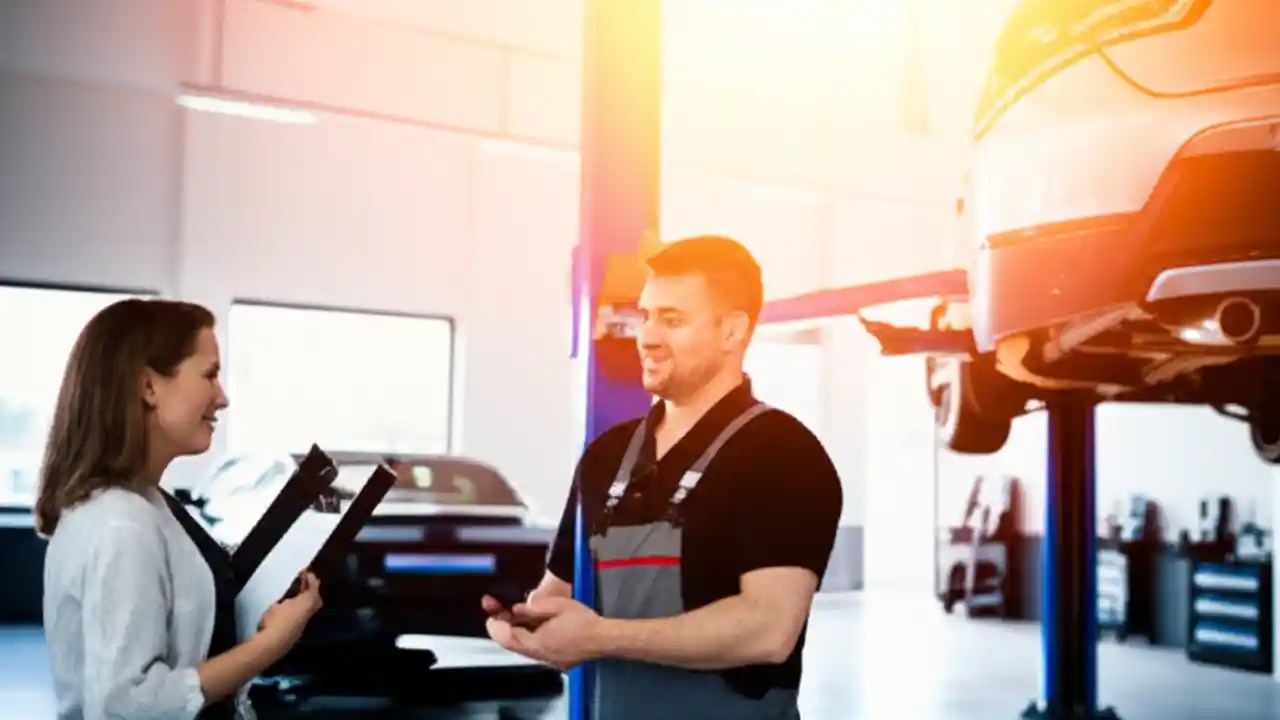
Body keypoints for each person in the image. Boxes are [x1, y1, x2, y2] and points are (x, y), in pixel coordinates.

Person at [483, 235, 843, 719]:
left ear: (732, 331)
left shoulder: (780, 453)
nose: (647, 336)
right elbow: (558, 591)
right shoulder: (608, 455)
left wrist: (601, 637)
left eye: (672, 320)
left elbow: (768, 630)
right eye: (646, 316)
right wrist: (529, 628)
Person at [35, 298, 323, 720]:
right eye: (209, 375)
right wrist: (270, 645)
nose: (222, 398)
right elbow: (127, 705)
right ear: (148, 387)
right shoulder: (121, 523)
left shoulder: (146, 503)